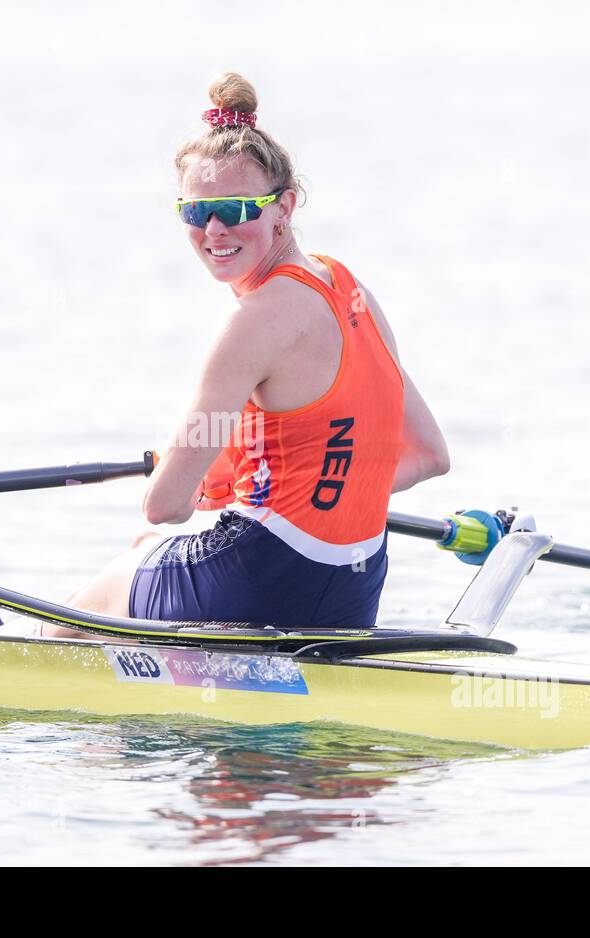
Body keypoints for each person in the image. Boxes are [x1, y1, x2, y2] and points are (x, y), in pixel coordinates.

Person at [42, 72, 450, 635]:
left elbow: (166, 504)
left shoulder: (251, 322)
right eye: (194, 212)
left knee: (96, 594)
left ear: (284, 206)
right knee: (150, 549)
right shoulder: (353, 290)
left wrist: (188, 465)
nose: (213, 229)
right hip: (351, 589)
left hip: (258, 579)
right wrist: (320, 491)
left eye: (234, 210)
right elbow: (429, 456)